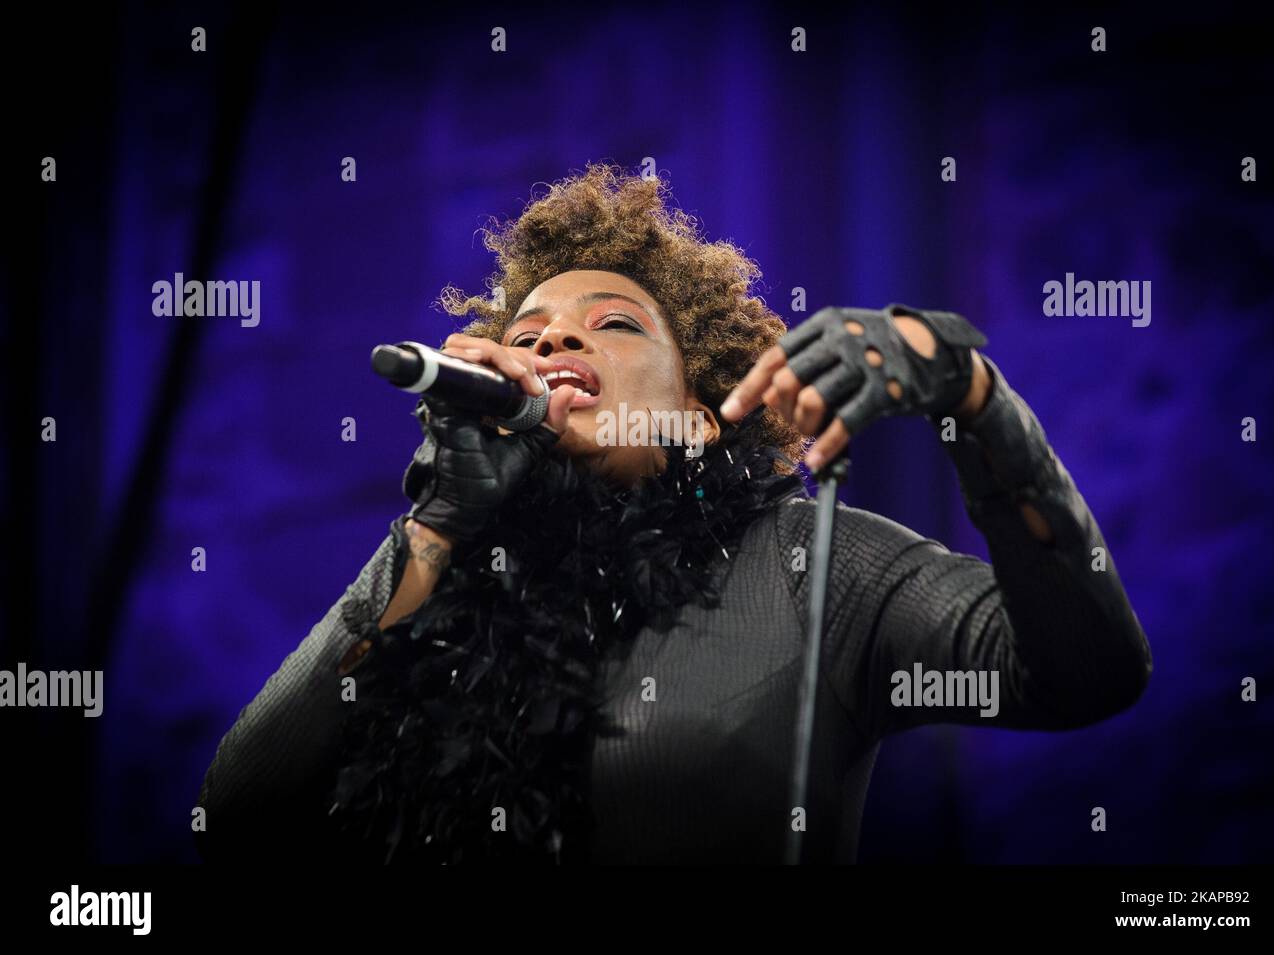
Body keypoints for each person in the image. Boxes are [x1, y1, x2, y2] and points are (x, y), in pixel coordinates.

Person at [194, 163, 1151, 864]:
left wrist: (971, 394)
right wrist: (438, 527)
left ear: (695, 414)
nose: (556, 331)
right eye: (527, 334)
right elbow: (241, 816)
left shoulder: (810, 564)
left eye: (613, 322)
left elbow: (1085, 672)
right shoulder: (439, 581)